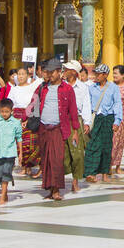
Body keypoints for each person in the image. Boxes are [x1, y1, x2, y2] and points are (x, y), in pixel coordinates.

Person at [32, 59, 79, 201]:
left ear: (60, 72)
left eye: (52, 72)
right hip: (44, 127)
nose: (49, 75)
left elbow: (73, 110)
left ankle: (57, 189)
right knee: (46, 160)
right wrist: (23, 118)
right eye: (48, 72)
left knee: (57, 160)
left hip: (58, 128)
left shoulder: (67, 89)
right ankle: (50, 189)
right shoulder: (42, 88)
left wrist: (75, 131)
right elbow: (33, 104)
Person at [84, 64, 122, 182]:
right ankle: (91, 173)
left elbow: (117, 104)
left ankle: (105, 173)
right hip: (96, 119)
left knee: (106, 147)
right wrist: (87, 122)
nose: (96, 76)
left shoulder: (113, 88)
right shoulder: (91, 88)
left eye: (98, 74)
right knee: (92, 146)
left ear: (105, 75)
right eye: (95, 73)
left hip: (107, 118)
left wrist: (117, 121)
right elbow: (88, 105)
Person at [6, 66, 42, 178]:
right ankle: (22, 166)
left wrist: (26, 118)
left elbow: (33, 101)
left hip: (28, 116)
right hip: (16, 117)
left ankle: (29, 166)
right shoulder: (14, 89)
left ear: (27, 76)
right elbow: (9, 103)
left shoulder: (32, 87)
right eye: (19, 74)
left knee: (29, 143)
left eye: (23, 74)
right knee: (18, 144)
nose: (20, 76)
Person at [63, 60, 92, 191]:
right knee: (63, 152)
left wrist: (87, 122)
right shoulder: (60, 86)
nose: (64, 71)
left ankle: (75, 180)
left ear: (74, 72)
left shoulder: (83, 87)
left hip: (76, 121)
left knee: (77, 152)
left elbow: (86, 105)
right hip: (63, 121)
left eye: (67, 69)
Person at [0, 99, 23, 204]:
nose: (4, 114)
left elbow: (19, 138)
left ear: (11, 111)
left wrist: (20, 152)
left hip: (10, 153)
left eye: (7, 112)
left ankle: (2, 195)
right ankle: (5, 190)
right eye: (2, 111)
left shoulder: (16, 123)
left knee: (6, 172)